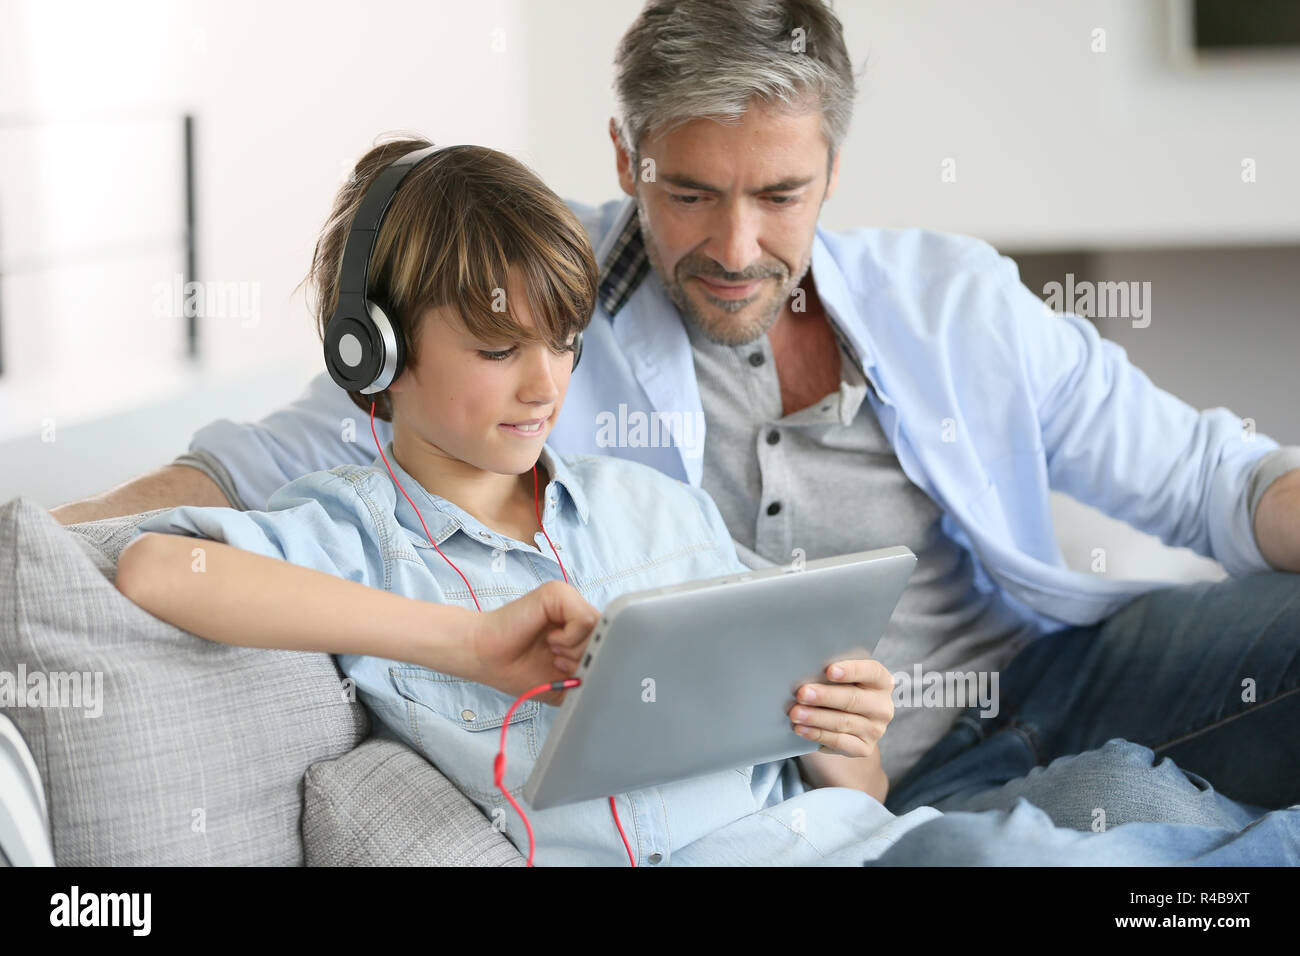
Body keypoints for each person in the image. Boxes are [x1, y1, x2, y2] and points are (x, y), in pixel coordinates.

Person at [64, 0, 1300, 829]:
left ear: (832, 169)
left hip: (1052, 673)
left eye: (779, 193)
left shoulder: (948, 299)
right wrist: (43, 528)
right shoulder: (541, 307)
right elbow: (263, 459)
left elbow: (1221, 480)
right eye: (690, 191)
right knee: (1132, 816)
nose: (733, 245)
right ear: (623, 157)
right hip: (857, 785)